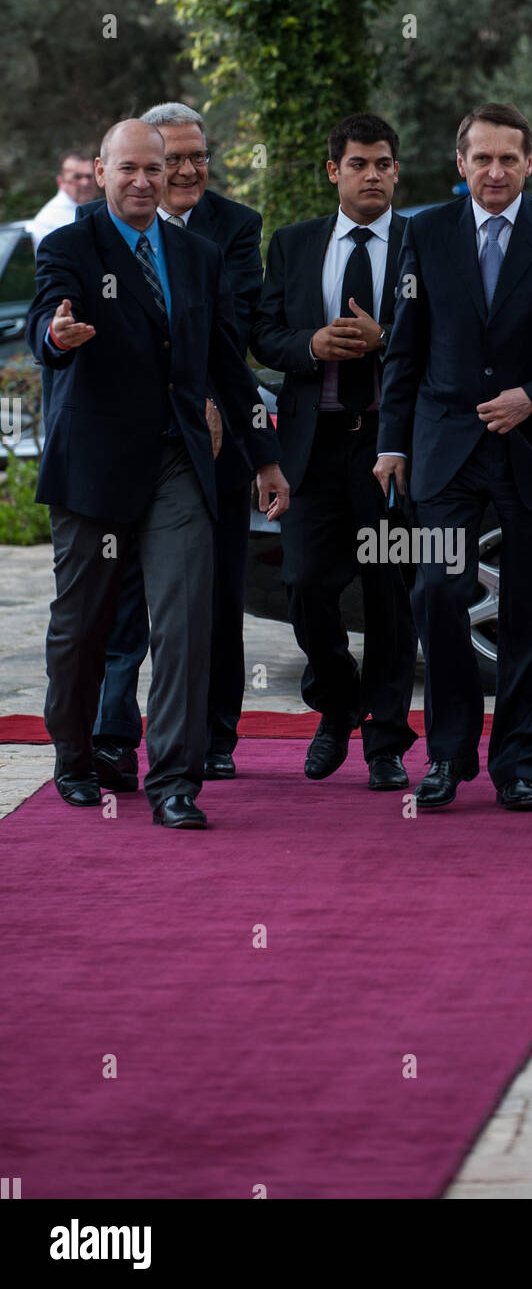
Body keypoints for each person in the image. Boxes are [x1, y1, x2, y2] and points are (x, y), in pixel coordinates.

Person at [27, 119, 288, 830]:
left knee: (184, 619)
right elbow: (44, 321)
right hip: (95, 469)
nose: (144, 180)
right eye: (130, 169)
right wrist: (55, 336)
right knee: (81, 626)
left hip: (179, 460)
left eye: (156, 167)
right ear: (103, 172)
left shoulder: (197, 255)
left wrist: (263, 455)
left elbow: (226, 364)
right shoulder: (70, 246)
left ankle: (176, 777)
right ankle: (75, 757)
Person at [375, 102, 532, 811]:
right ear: (460, 164)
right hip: (445, 447)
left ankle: (518, 766)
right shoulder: (424, 234)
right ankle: (448, 756)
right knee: (437, 591)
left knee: (526, 611)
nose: (494, 170)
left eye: (508, 158)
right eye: (481, 158)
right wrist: (392, 439)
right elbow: (405, 345)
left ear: (529, 162)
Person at [77, 102, 266, 790]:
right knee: (122, 604)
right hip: (121, 453)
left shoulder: (230, 233)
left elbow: (230, 337)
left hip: (206, 447)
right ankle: (113, 739)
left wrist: (225, 414)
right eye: (165, 159)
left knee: (205, 603)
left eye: (192, 158)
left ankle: (207, 743)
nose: (181, 171)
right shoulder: (88, 235)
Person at [250, 113, 417, 790]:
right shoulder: (291, 245)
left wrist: (388, 339)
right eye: (357, 164)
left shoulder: (420, 243)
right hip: (311, 448)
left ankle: (383, 741)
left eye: (381, 163)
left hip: (389, 448)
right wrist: (311, 346)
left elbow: (451, 336)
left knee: (389, 595)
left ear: (396, 171)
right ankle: (336, 701)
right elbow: (264, 332)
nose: (371, 174)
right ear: (333, 171)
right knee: (305, 583)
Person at [30, 152, 97, 251]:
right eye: (77, 177)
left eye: (89, 176)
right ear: (61, 182)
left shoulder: (98, 209)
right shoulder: (50, 219)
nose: (85, 183)